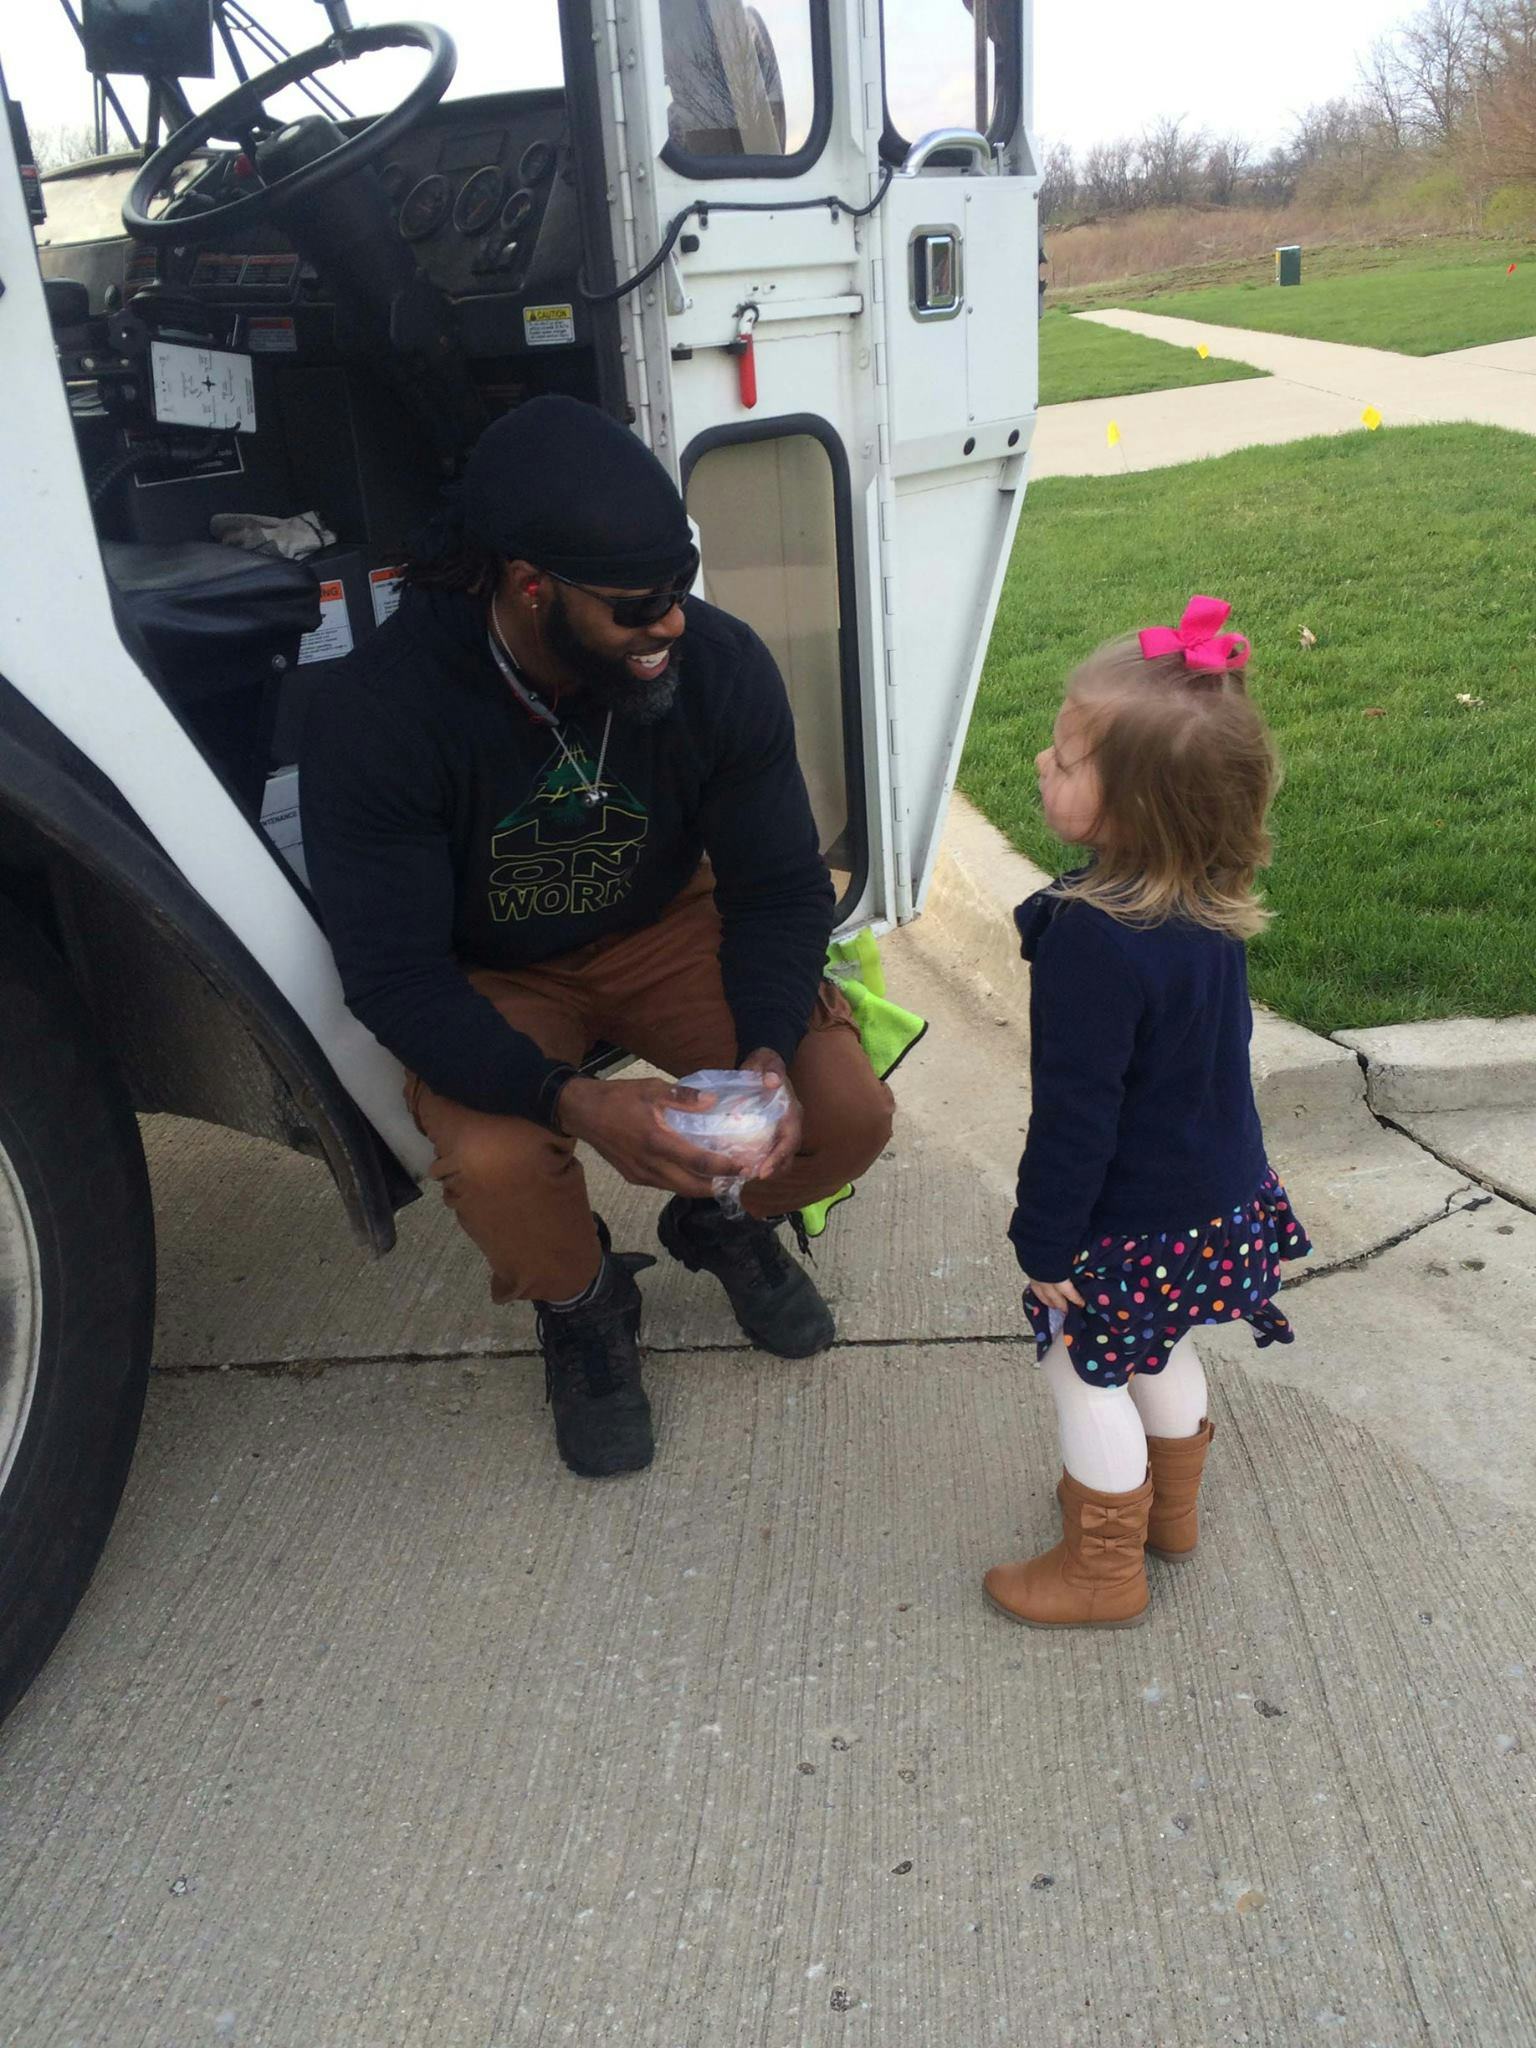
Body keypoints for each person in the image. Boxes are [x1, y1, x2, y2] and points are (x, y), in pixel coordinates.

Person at [300, 396, 894, 1480]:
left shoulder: (717, 665)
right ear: (531, 585)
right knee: (497, 1158)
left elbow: (777, 887)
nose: (670, 622)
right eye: (637, 606)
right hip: (489, 965)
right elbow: (391, 973)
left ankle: (717, 1224)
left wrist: (763, 1047)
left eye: (680, 588)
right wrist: (576, 1101)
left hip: (663, 925)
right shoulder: (376, 713)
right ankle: (584, 1305)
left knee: (842, 1106)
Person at [983, 597, 1311, 1630]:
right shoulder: (1205, 903)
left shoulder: (1095, 942)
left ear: (1133, 811)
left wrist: (1046, 1238)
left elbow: (1075, 1116)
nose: (1043, 760)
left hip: (1125, 1219)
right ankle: (1168, 1514)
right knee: (1160, 1347)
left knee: (1086, 1372)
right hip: (1215, 1197)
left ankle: (1101, 1567)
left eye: (1069, 758)